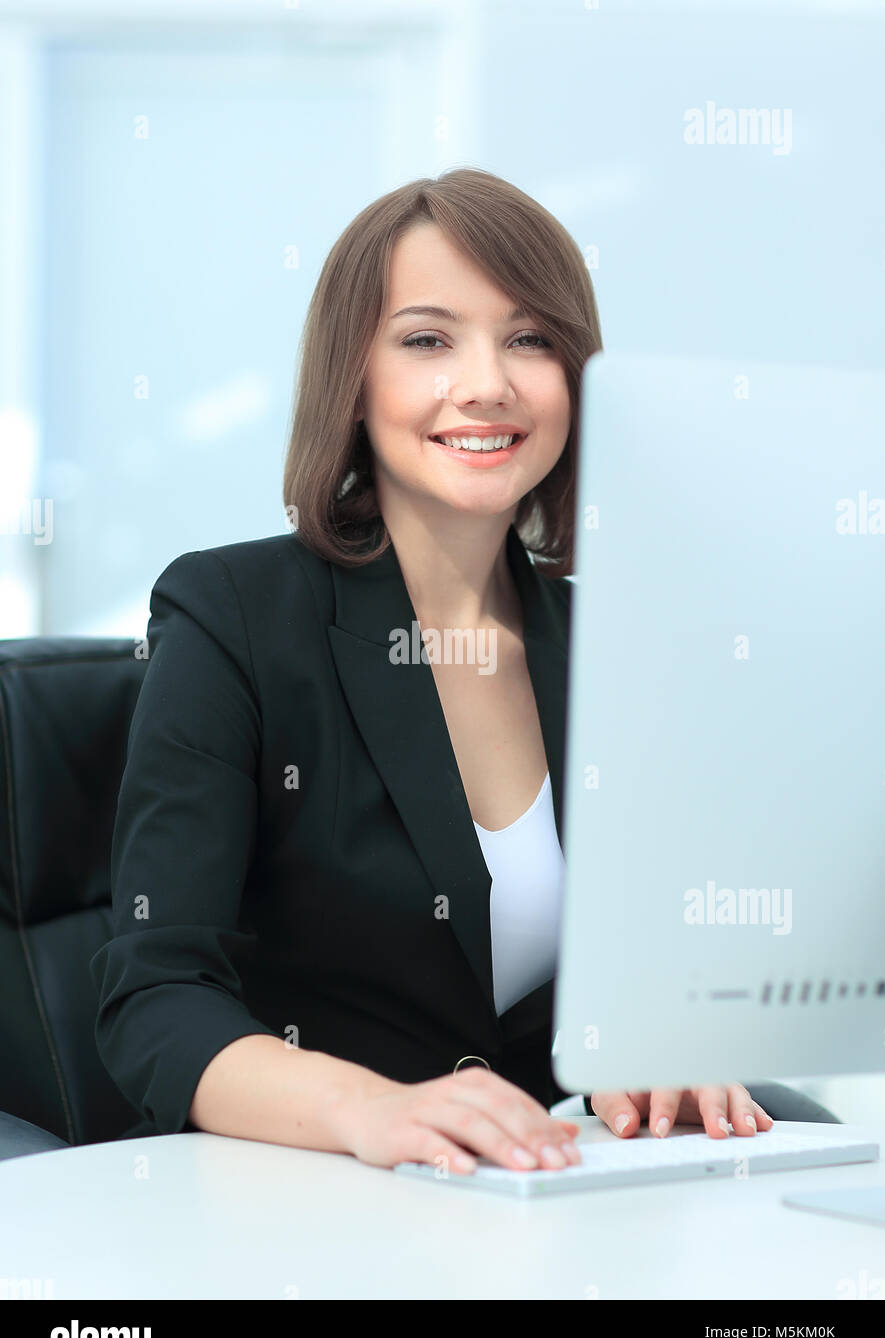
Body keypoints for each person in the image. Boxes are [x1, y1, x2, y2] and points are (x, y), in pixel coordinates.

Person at [91, 167, 776, 1177]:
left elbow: (657, 961)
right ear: (352, 380)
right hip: (312, 1197)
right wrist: (372, 1110)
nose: (488, 382)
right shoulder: (232, 616)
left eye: (531, 338)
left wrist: (663, 1050)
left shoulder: (611, 643)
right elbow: (153, 997)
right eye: (427, 338)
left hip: (560, 1196)